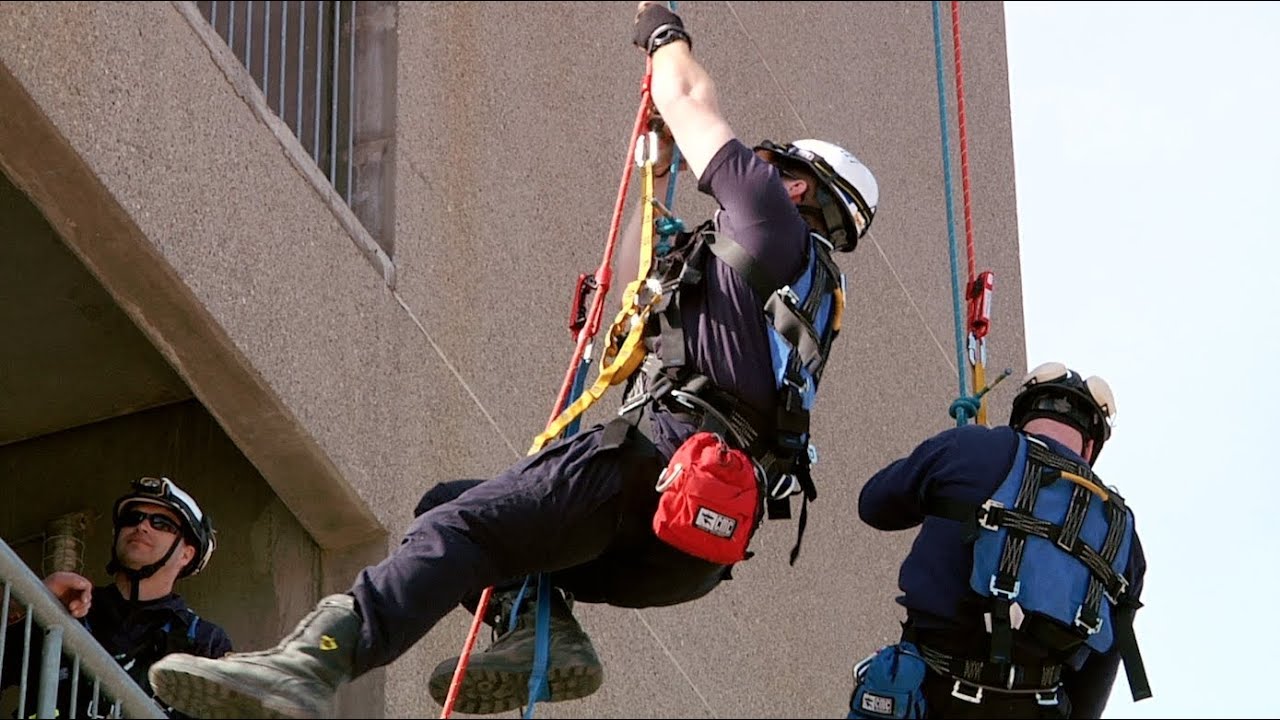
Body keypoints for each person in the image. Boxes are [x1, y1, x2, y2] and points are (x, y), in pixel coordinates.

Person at [147, 3, 880, 718]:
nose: (752, 165)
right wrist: (654, 170)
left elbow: (687, 92)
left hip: (655, 467)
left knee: (457, 532)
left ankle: (311, 664)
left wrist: (661, 33)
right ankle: (548, 633)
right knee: (456, 505)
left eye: (769, 164)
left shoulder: (766, 217)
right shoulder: (798, 298)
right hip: (697, 549)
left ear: (795, 185)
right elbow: (629, 299)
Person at [847, 362, 1151, 719]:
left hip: (927, 693)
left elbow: (874, 505)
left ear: (1022, 414)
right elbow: (1100, 671)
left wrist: (949, 471)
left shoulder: (973, 447)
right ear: (1089, 448)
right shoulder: (1124, 536)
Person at [2, 476, 232, 718]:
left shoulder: (203, 642)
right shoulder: (69, 607)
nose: (142, 526)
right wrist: (28, 605)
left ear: (186, 554)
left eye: (161, 523)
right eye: (132, 519)